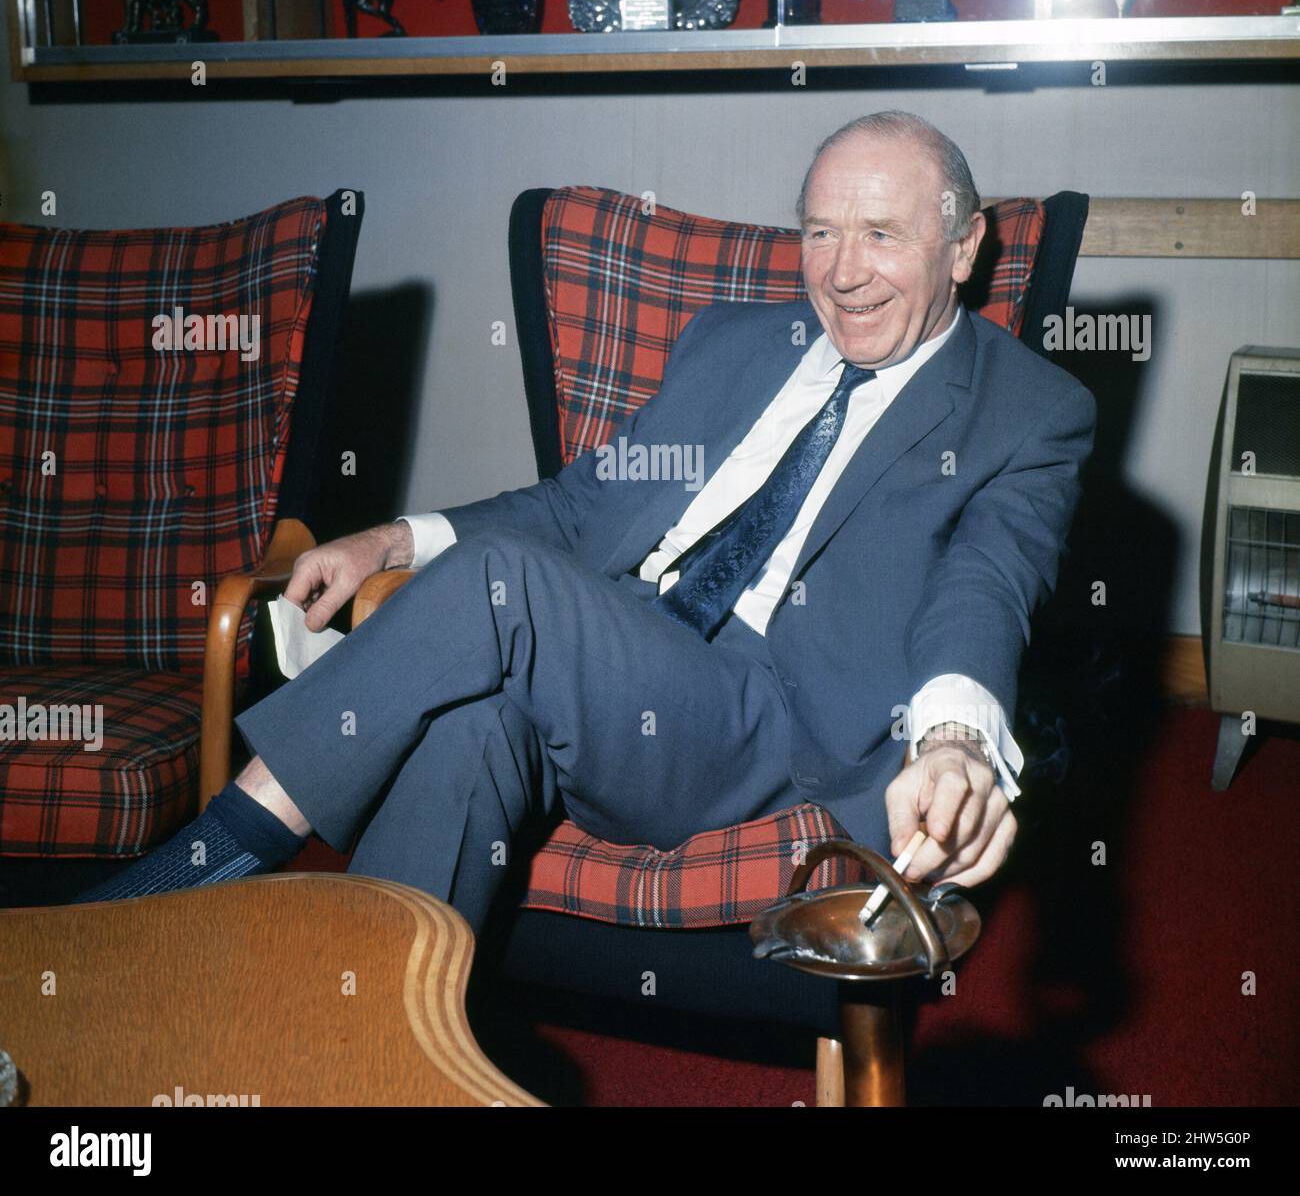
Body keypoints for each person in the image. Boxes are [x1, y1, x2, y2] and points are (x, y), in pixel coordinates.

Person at [75, 111, 1097, 936]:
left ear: (962, 247)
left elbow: (986, 586)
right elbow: (581, 504)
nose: (839, 270)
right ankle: (371, 1051)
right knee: (466, 731)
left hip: (764, 726)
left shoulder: (1026, 409)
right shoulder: (738, 341)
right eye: (820, 230)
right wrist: (391, 538)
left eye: (881, 233)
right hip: (613, 661)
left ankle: (181, 880)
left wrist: (956, 737)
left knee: (502, 584)